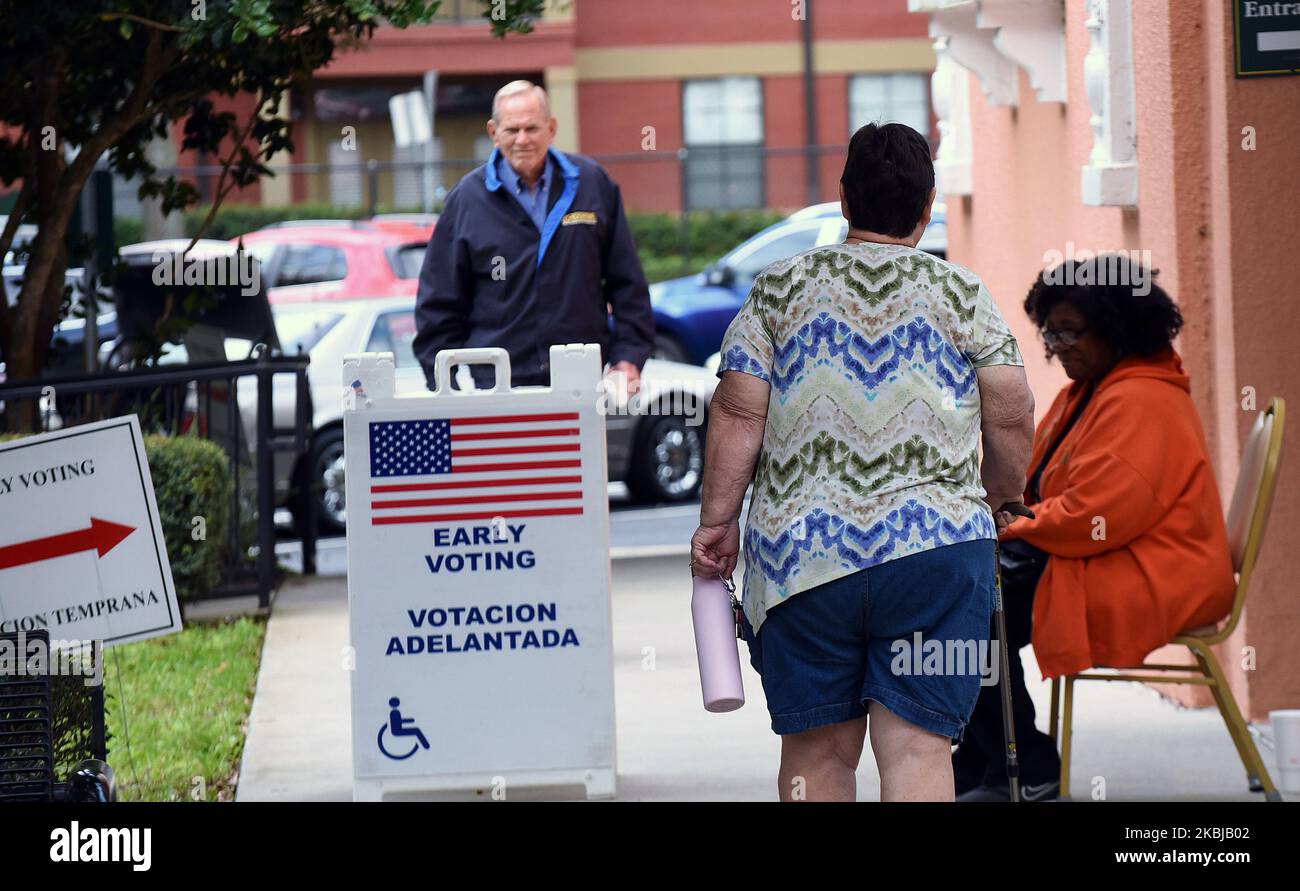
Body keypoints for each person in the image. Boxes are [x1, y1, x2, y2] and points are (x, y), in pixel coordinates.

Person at [690, 122, 1036, 802]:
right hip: (937, 553)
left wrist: (718, 521)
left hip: (801, 559)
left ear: (844, 200)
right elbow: (1011, 406)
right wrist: (1003, 497)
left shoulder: (779, 289)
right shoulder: (962, 294)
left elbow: (737, 410)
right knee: (917, 753)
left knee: (816, 754)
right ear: (928, 203)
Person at [953, 257, 1237, 801]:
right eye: (1049, 331)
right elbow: (1038, 487)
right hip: (1098, 556)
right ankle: (993, 754)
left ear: (1115, 328)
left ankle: (1025, 764)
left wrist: (998, 529)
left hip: (1145, 573)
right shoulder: (1098, 388)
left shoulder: (1142, 399)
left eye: (1067, 331)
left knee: (967, 615)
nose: (1055, 345)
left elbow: (1092, 516)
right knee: (958, 600)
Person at [413, 80, 654, 391]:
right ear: (493, 133)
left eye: (532, 128)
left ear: (551, 128)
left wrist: (628, 359)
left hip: (581, 377)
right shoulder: (466, 200)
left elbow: (628, 284)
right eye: (512, 130)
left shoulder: (592, 184)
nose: (522, 140)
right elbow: (439, 300)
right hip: (495, 383)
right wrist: (443, 382)